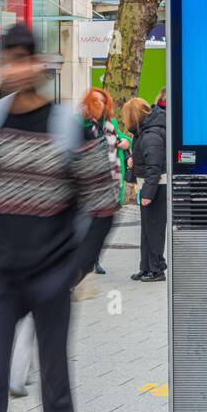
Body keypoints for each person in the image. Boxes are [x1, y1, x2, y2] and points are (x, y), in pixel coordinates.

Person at [0, 24, 119, 412]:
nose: (18, 68)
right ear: (0, 66)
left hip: (51, 277)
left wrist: (76, 268)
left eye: (26, 58)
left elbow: (103, 202)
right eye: (10, 59)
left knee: (55, 381)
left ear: (39, 64)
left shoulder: (70, 127)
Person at [80, 88, 131, 274]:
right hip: (88, 184)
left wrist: (126, 142)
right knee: (87, 224)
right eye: (95, 101)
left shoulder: (111, 123)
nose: (99, 105)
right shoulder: (80, 124)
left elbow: (121, 138)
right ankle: (84, 260)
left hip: (111, 179)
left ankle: (94, 259)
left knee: (102, 224)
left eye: (102, 101)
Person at [123, 96, 167, 282]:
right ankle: (146, 267)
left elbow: (154, 167)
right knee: (148, 229)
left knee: (154, 229)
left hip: (154, 186)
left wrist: (148, 194)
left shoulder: (150, 135)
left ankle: (156, 270)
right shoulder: (146, 132)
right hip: (150, 185)